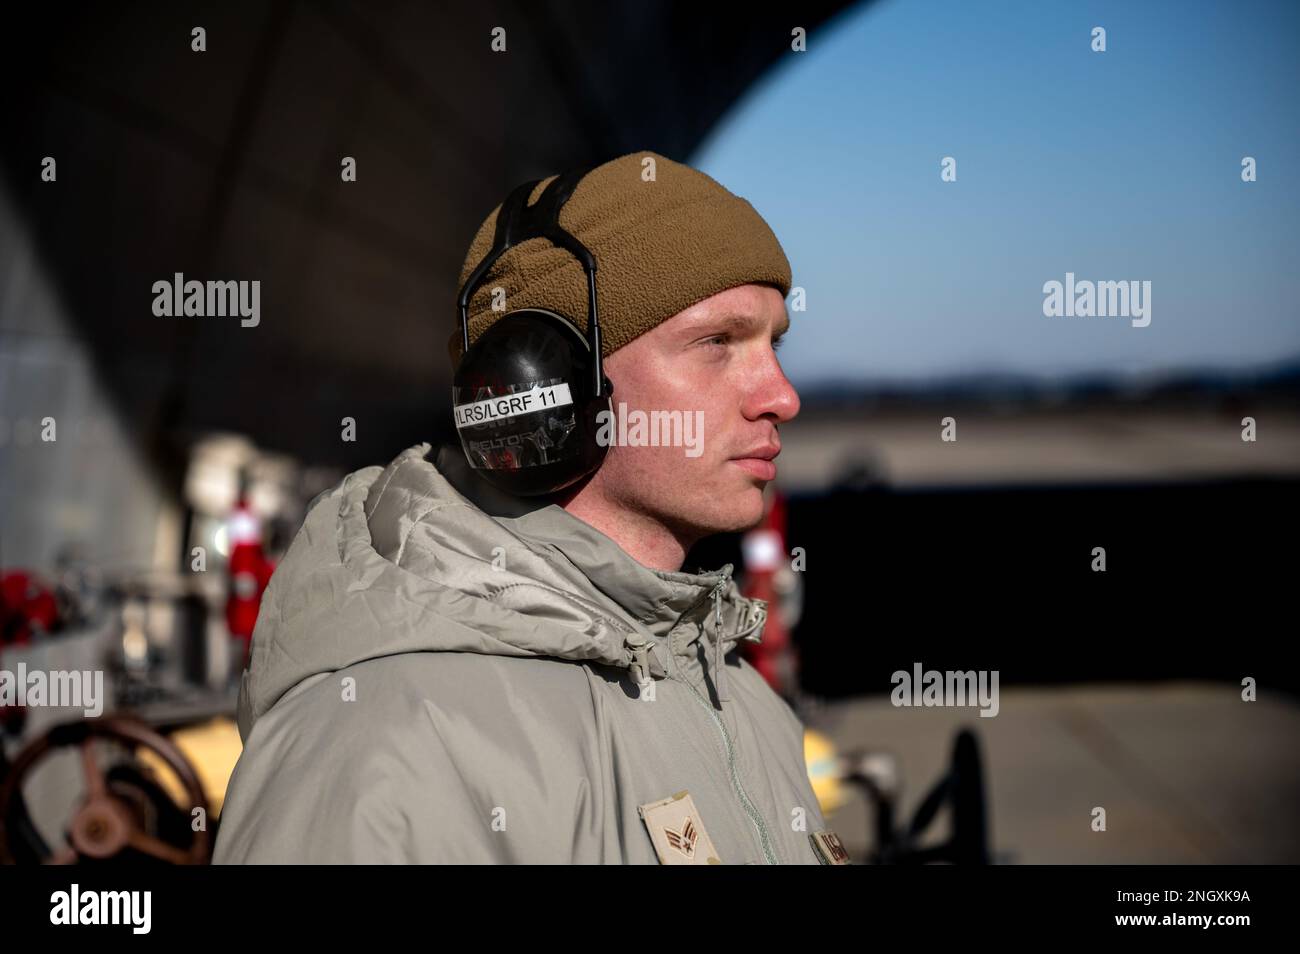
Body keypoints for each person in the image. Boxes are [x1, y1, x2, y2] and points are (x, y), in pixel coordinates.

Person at [213, 150, 848, 864]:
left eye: (775, 343)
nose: (782, 396)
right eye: (716, 343)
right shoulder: (383, 745)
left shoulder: (741, 707)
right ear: (550, 380)